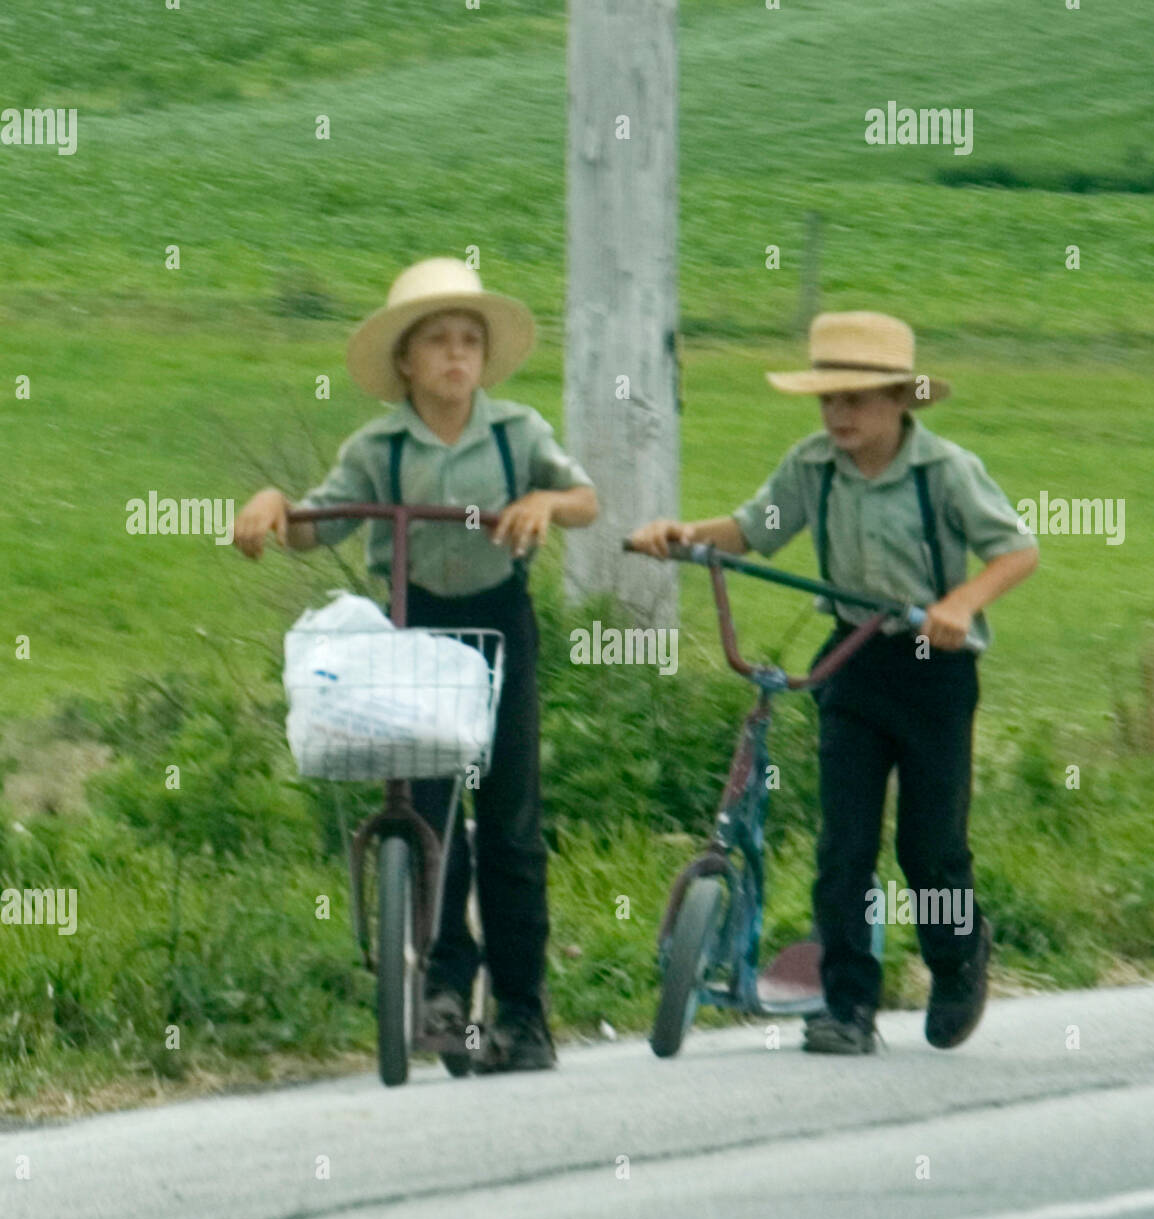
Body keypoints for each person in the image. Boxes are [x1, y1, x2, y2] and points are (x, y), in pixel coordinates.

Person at [628, 311, 1038, 1054]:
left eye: (857, 399)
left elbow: (1015, 552)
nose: (840, 415)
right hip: (851, 658)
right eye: (828, 400)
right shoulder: (811, 468)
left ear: (901, 400)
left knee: (930, 847)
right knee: (843, 844)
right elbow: (755, 528)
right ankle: (847, 1007)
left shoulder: (944, 472)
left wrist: (959, 605)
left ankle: (956, 958)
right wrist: (681, 536)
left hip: (932, 668)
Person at [234, 257, 598, 1072]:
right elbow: (316, 523)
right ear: (406, 360)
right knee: (426, 808)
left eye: (469, 341)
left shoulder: (517, 433)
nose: (455, 356)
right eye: (437, 342)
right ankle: (440, 987)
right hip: (418, 629)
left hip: (499, 627)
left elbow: (584, 500)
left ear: (484, 358)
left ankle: (521, 1012)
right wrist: (272, 506)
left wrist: (544, 502)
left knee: (507, 818)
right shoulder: (377, 448)